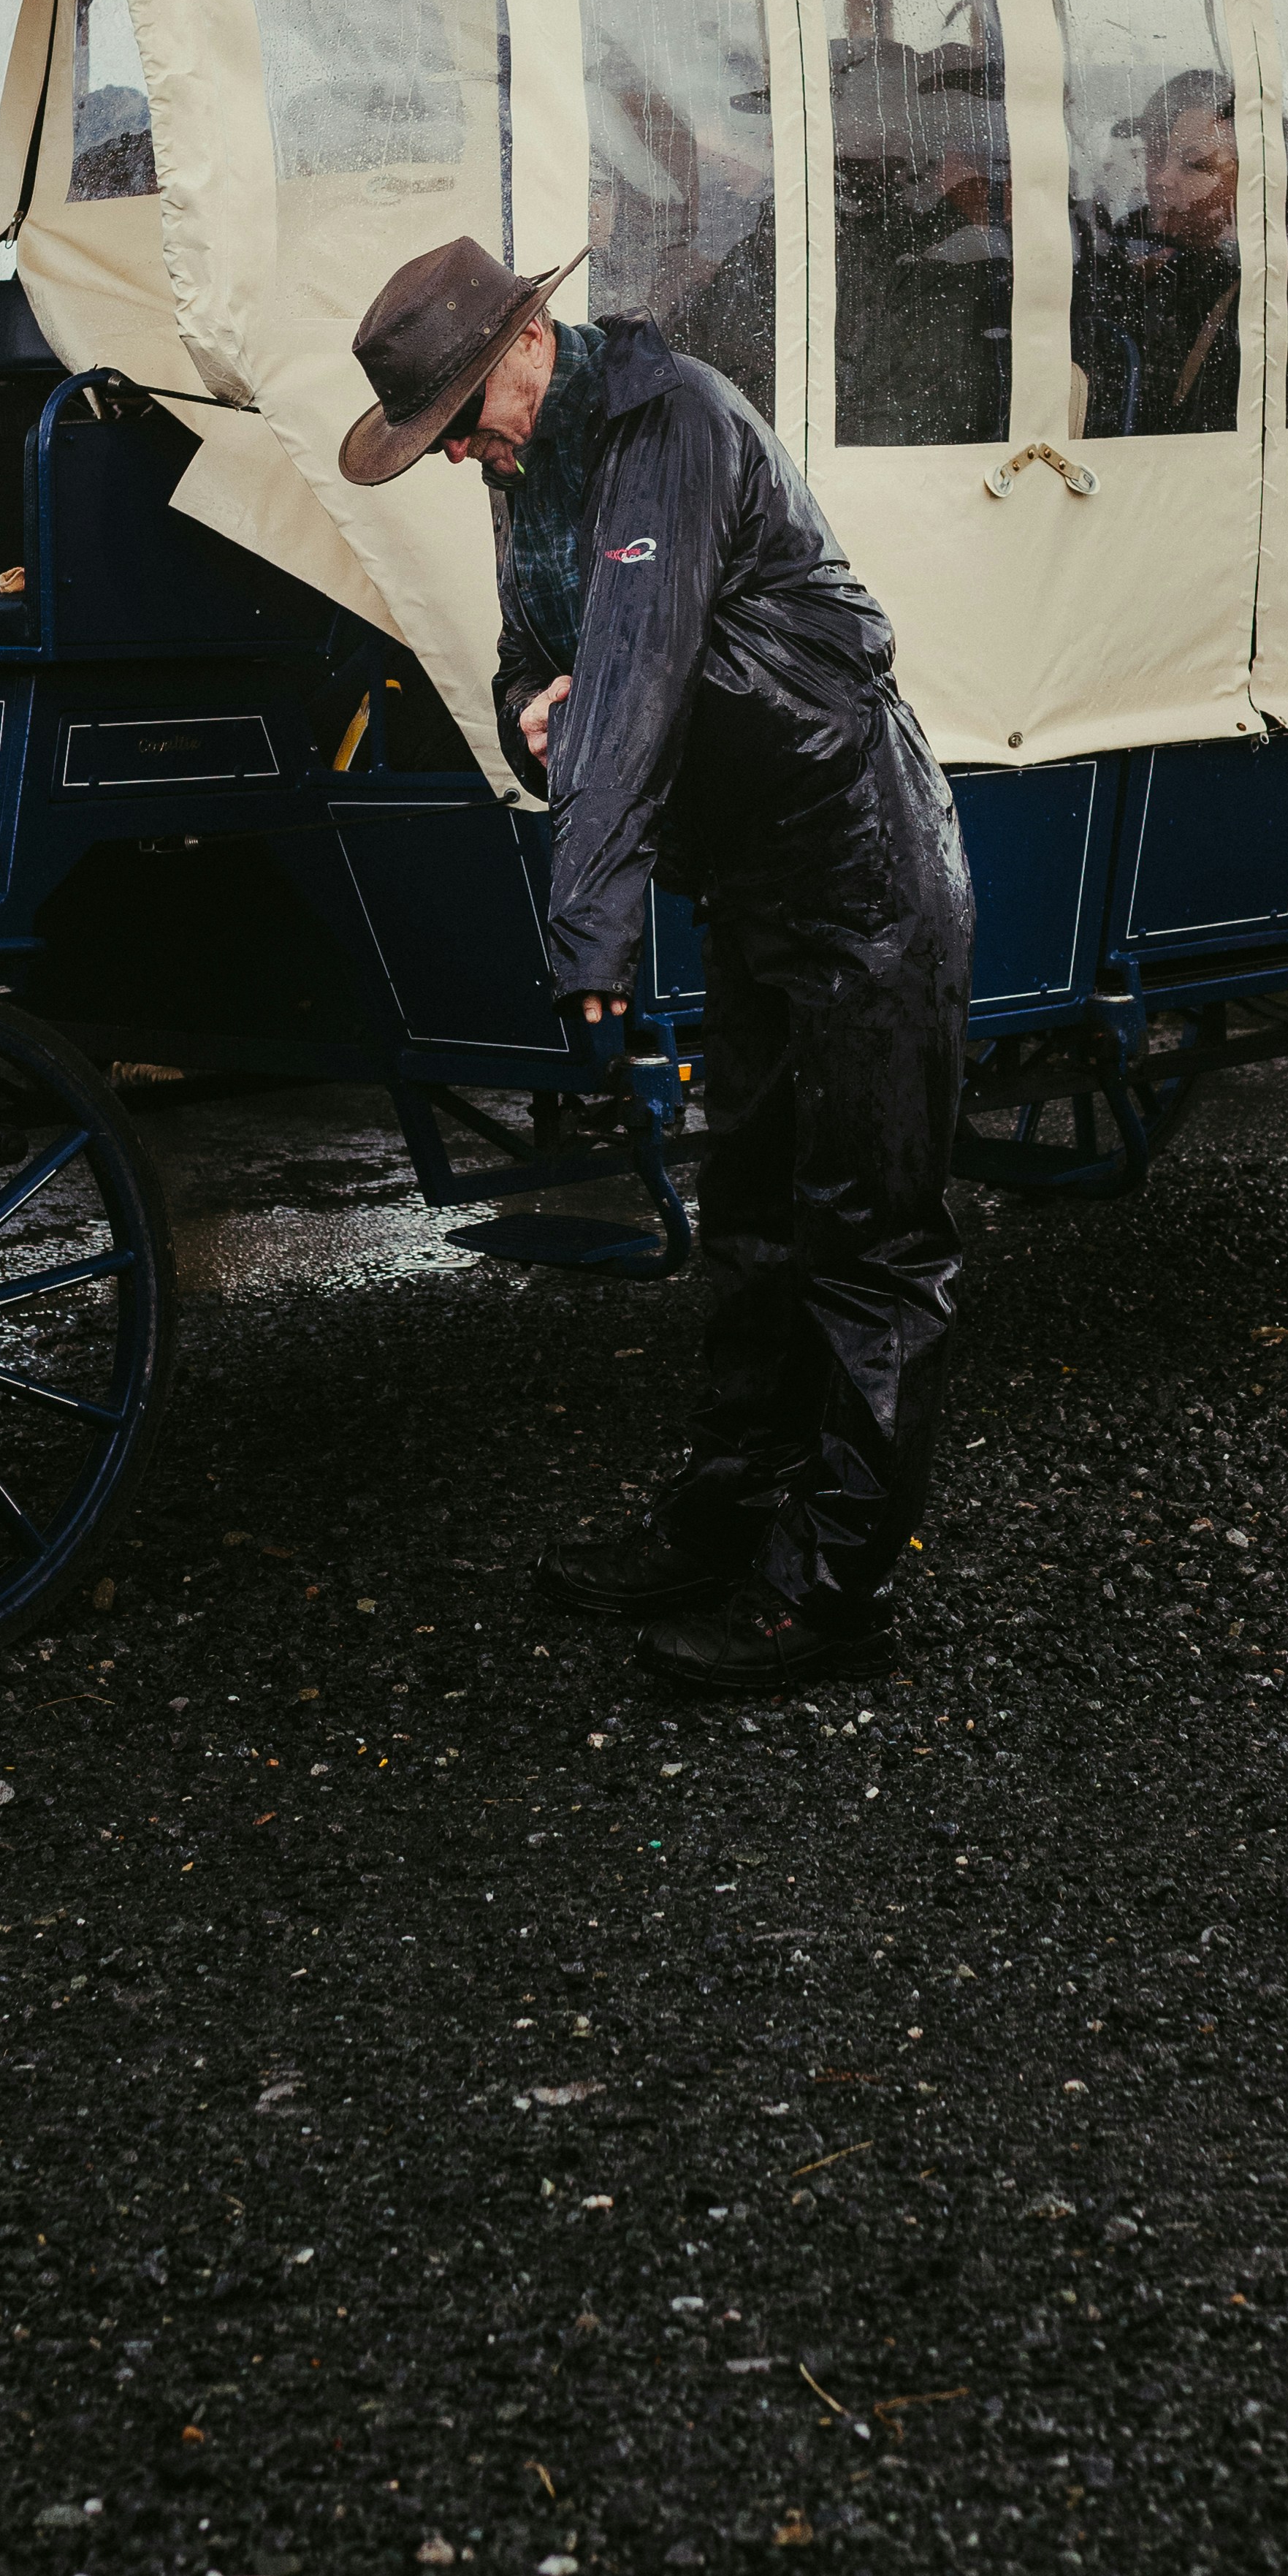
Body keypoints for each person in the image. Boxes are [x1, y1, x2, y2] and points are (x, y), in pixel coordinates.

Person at [339, 233, 975, 1695]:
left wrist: (590, 938)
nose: (455, 458)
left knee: (872, 1234)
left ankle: (829, 1592)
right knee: (754, 1208)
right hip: (755, 868)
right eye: (432, 438)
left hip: (863, 857)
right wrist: (523, 723)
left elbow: (631, 678)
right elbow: (533, 664)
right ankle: (729, 1523)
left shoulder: (675, 418)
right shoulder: (530, 470)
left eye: (457, 420)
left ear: (524, 344)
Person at [1071, 69, 1288, 433]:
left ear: (1257, 182)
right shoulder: (1134, 256)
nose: (1161, 178)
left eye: (1194, 164)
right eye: (1156, 156)